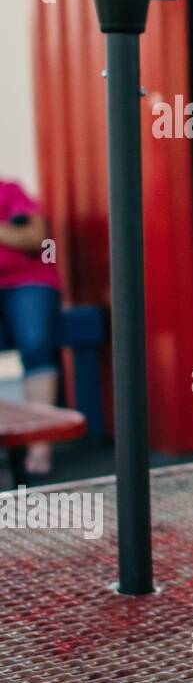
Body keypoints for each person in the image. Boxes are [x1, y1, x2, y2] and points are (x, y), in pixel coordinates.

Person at [0, 177, 62, 478]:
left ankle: (40, 442)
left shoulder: (10, 191)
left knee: (35, 342)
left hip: (28, 282)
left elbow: (35, 237)